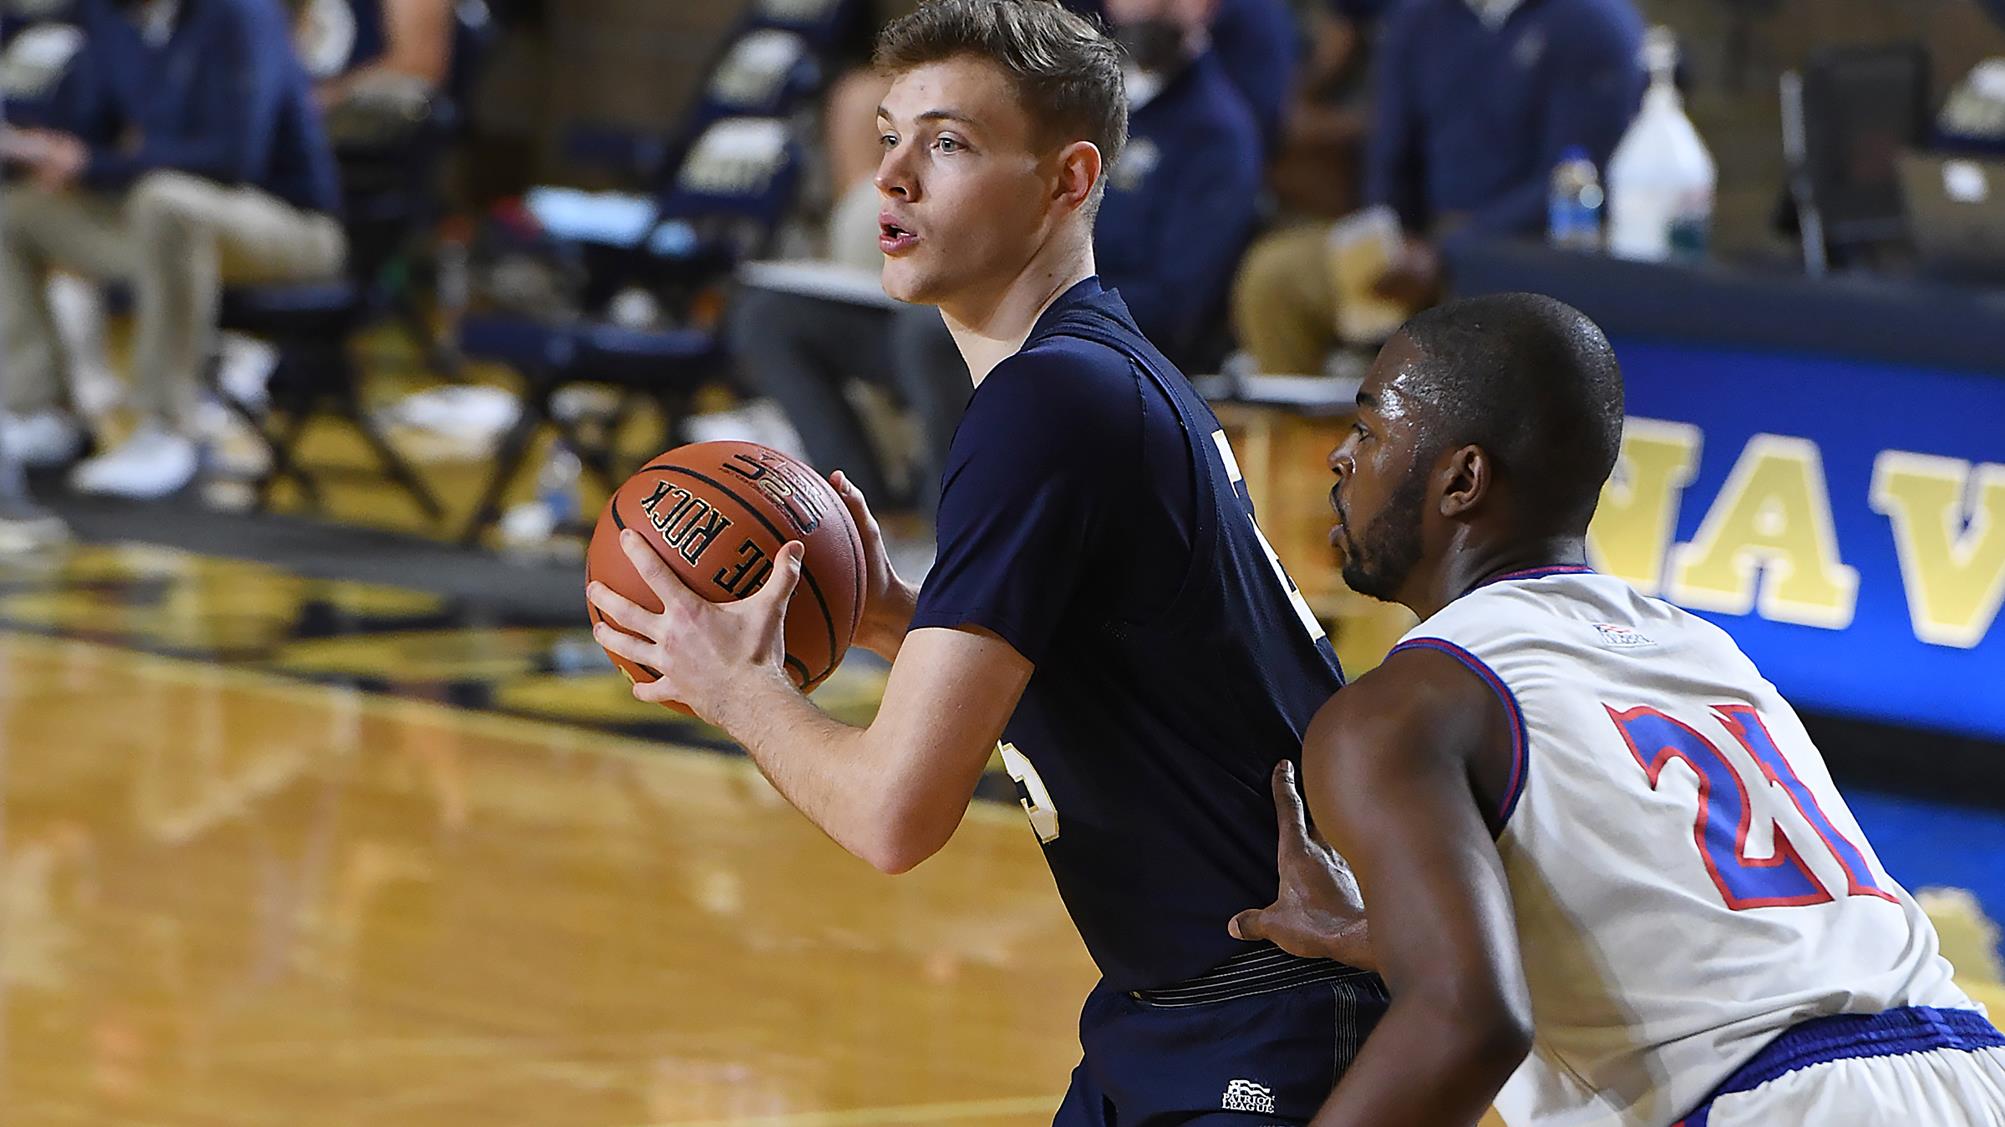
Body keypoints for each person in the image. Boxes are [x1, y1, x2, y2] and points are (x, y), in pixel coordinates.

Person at [591, 1, 1385, 1122]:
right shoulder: (1092, 368)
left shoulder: (1045, 403)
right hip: (1171, 1004)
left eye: (948, 143)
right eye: (887, 136)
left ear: (1068, 181)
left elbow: (891, 817)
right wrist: (890, 619)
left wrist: (737, 687)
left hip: (1265, 1009)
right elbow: (1127, 674)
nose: (895, 177)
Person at [1228, 293, 2005, 1125]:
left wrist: (1432, 974)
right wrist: (1399, 931)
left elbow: (1466, 1021)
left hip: (1771, 1102)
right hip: (1973, 1063)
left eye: (1370, 430)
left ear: (1461, 479)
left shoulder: (1400, 705)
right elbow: (1698, 928)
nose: (1340, 460)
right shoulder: (1705, 648)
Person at [735, 0, 1263, 515]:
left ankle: (952, 533)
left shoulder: (1218, 131)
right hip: (979, 304)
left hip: (1085, 339)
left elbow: (1176, 305)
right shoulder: (1064, 89)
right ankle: (859, 513)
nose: (1153, 8)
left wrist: (1016, 295)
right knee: (772, 318)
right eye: (890, 137)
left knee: (931, 336)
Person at [0, 0, 344, 499]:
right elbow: (84, 124)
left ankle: (170, 426)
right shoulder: (112, 17)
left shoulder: (240, 14)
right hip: (165, 227)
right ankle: (44, 413)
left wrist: (95, 165)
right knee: (18, 213)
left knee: (166, 201)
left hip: (292, 231)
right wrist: (31, 144)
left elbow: (234, 156)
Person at [1231, 0, 1644, 374]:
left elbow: (1576, 181)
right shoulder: (1420, 15)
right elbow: (1390, 152)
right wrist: (1388, 237)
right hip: (1421, 239)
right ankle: (1311, 443)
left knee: (1485, 306)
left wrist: (1446, 252)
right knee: (1276, 276)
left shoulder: (1593, 22)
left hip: (1527, 252)